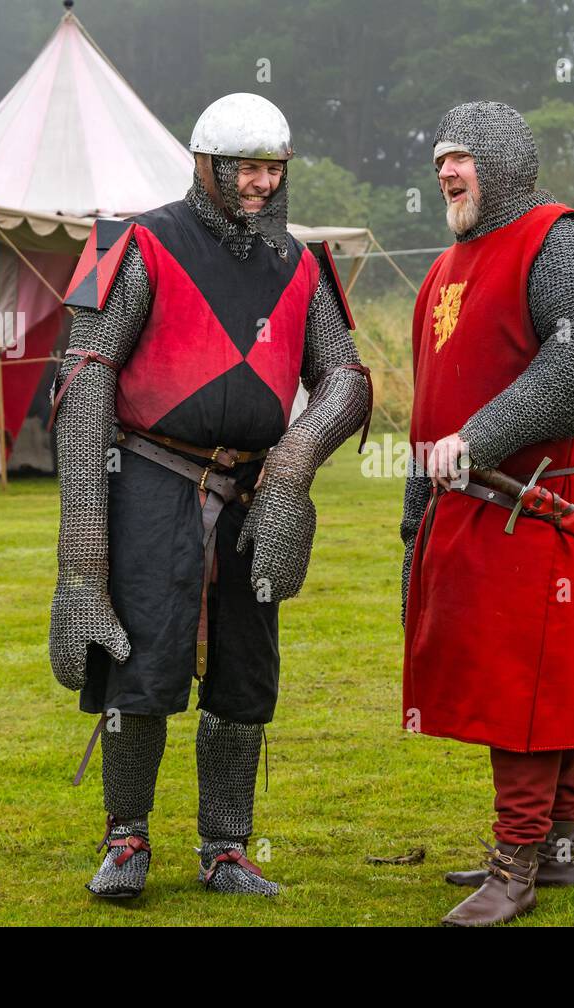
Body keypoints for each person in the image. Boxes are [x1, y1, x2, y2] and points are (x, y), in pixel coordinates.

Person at [49, 92, 370, 900]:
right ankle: (127, 841)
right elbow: (84, 385)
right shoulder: (137, 242)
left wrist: (293, 469)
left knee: (244, 674)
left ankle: (225, 846)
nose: (261, 184)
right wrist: (82, 561)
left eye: (273, 169)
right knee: (140, 662)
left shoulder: (301, 263)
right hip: (150, 480)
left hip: (254, 489)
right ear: (207, 165)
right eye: (247, 168)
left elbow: (343, 377)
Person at [401, 101, 574, 927]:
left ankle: (518, 864)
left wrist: (476, 437)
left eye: (461, 156)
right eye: (439, 157)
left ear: (503, 162)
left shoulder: (560, 241)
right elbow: (433, 401)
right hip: (474, 511)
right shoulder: (448, 265)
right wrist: (416, 512)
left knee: (528, 693)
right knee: (533, 686)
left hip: (539, 509)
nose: (445, 170)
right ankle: (555, 848)